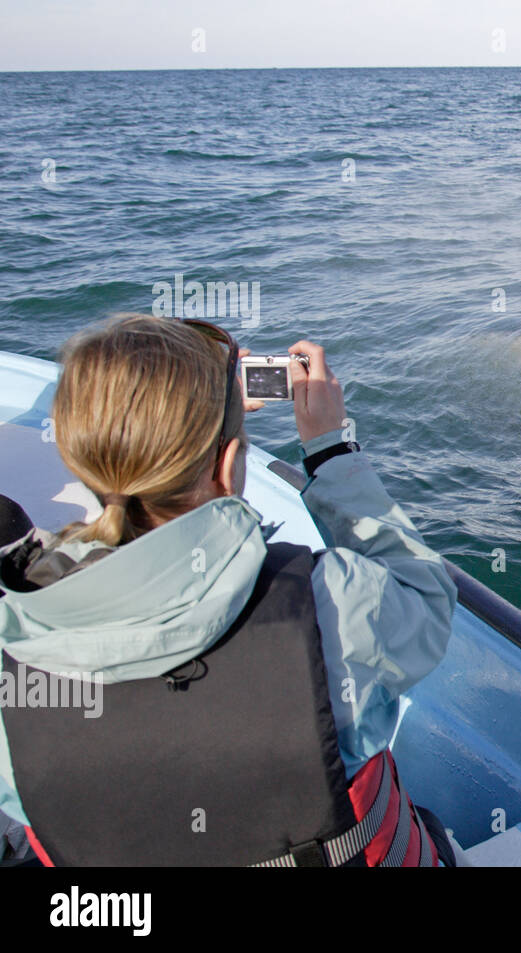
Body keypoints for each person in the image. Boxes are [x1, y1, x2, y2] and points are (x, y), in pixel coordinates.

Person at [0, 314, 458, 866]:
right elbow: (426, 597)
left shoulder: (16, 657)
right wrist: (332, 452)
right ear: (231, 464)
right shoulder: (329, 604)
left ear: (77, 459)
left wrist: (168, 425)